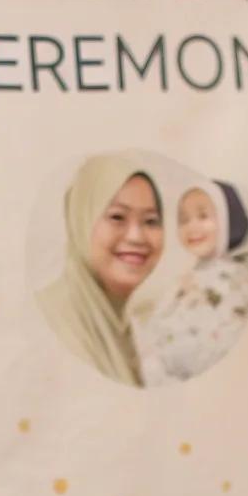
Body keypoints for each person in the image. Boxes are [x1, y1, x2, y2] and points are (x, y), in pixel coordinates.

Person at [36, 153, 165, 386]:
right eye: (117, 217)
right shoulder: (50, 322)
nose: (136, 237)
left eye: (151, 221)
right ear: (81, 218)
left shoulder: (143, 323)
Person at [138, 180, 248, 385]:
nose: (192, 227)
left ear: (229, 219)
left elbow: (216, 347)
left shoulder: (238, 279)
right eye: (184, 219)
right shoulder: (196, 273)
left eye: (203, 216)